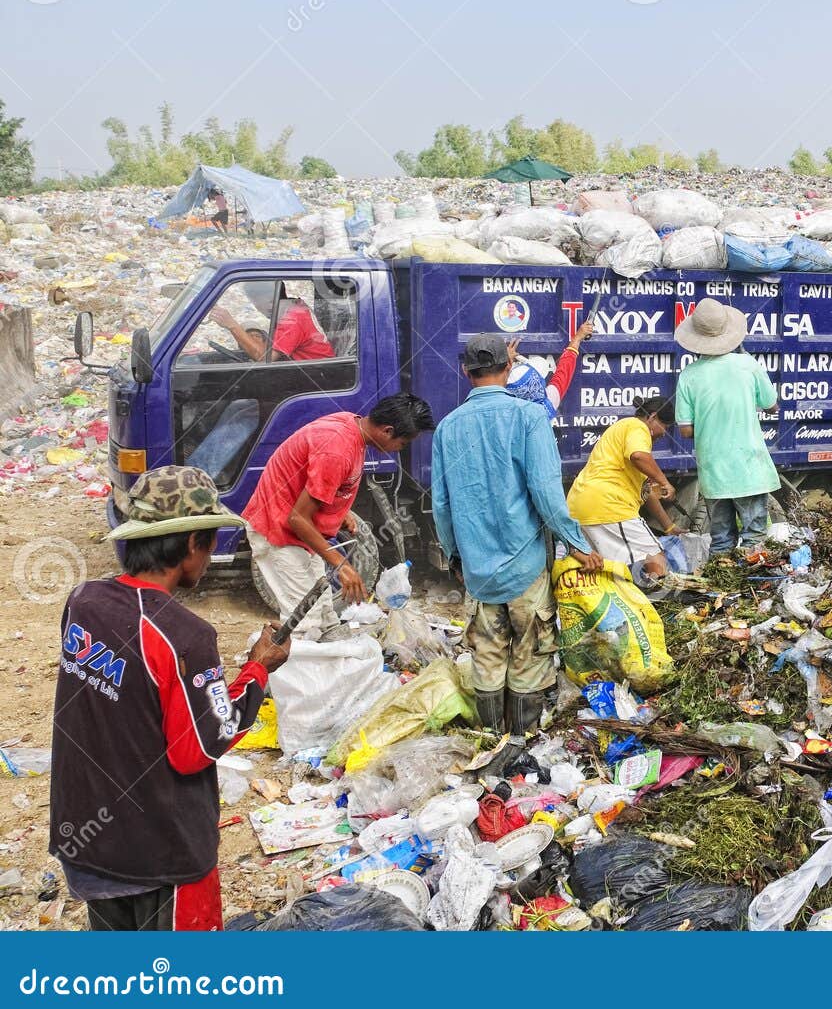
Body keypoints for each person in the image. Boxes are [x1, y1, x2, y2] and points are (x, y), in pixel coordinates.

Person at [51, 467, 291, 930]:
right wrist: (259, 668)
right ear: (189, 545)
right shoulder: (184, 635)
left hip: (88, 839)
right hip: (160, 852)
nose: (213, 552)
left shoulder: (83, 600)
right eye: (211, 541)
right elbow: (196, 749)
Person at [431, 334, 602, 735]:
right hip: (525, 565)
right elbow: (546, 492)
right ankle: (522, 742)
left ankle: (490, 739)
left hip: (478, 568)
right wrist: (576, 544)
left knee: (487, 655)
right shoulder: (528, 417)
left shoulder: (447, 428)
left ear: (464, 371)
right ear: (509, 369)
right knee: (529, 654)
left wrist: (455, 555)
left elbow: (442, 504)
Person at [241, 394, 434, 635]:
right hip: (278, 531)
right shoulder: (338, 449)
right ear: (387, 430)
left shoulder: (352, 427)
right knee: (304, 621)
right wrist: (342, 565)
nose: (399, 450)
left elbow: (316, 485)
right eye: (402, 443)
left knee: (324, 613)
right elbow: (297, 518)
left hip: (297, 532)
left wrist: (341, 510)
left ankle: (325, 666)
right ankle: (295, 669)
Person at [188, 284, 336, 479]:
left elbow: (263, 358)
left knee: (248, 415)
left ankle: (201, 474)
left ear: (271, 301)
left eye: (256, 305)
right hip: (306, 378)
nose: (260, 310)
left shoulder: (293, 318)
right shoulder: (295, 308)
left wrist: (232, 325)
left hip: (316, 385)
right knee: (239, 406)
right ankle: (204, 464)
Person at [673, 298, 779, 554]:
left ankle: (722, 591)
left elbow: (686, 430)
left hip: (714, 472)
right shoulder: (748, 365)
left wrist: (712, 425)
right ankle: (756, 589)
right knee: (755, 539)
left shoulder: (688, 375)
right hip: (750, 469)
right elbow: (771, 405)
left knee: (720, 540)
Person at [567, 395, 681, 580]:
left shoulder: (623, 433)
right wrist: (665, 482)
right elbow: (638, 456)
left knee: (600, 572)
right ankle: (657, 604)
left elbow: (647, 492)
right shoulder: (637, 427)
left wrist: (668, 527)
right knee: (655, 557)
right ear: (652, 417)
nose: (663, 434)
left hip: (580, 506)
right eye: (665, 428)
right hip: (608, 506)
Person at [507, 318, 595, 419]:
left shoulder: (502, 414)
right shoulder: (547, 406)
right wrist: (577, 338)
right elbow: (563, 371)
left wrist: (505, 361)